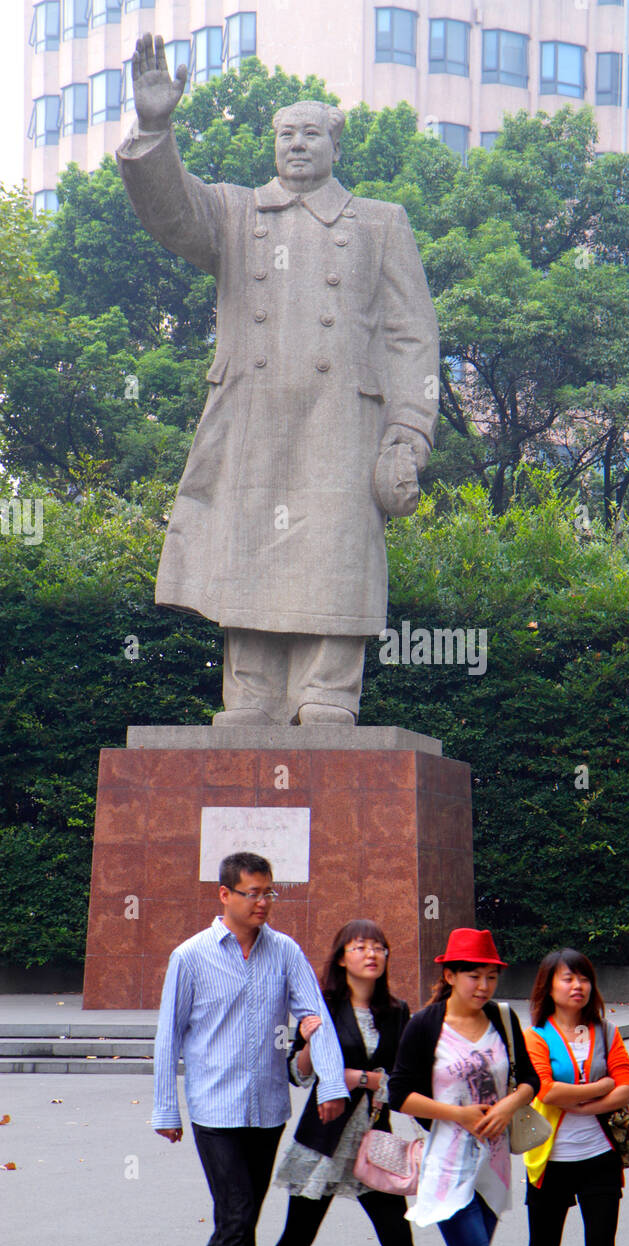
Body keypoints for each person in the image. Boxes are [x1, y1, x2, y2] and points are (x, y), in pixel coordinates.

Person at [118, 35, 439, 727]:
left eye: (311, 134)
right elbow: (170, 212)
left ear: (335, 145)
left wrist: (408, 432)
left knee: (335, 550)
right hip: (253, 416)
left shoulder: (381, 223)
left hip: (343, 422)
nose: (297, 145)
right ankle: (254, 692)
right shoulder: (235, 213)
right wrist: (155, 127)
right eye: (286, 134)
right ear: (273, 144)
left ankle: (327, 693)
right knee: (249, 544)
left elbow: (413, 337)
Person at [151, 851, 348, 1246]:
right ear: (225, 894)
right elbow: (168, 1038)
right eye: (253, 893)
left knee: (235, 1224)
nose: (263, 902)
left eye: (269, 892)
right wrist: (166, 1108)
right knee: (237, 1219)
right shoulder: (191, 956)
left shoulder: (285, 951)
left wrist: (332, 1084)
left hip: (268, 1109)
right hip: (214, 1111)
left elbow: (317, 1018)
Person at [263, 920, 416, 1246]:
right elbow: (297, 1074)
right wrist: (312, 1042)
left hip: (375, 1143)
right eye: (360, 947)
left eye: (379, 947)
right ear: (342, 959)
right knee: (297, 1238)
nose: (371, 954)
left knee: (398, 1239)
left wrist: (362, 1079)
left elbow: (402, 1077)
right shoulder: (321, 1006)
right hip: (324, 1142)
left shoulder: (397, 1012)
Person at [389, 928, 540, 1246]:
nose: (483, 986)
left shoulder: (502, 1018)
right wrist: (458, 1114)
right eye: (474, 976)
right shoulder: (425, 1026)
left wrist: (508, 1104)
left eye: (491, 977)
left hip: (494, 1164)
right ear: (450, 975)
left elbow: (531, 1080)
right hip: (447, 1165)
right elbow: (399, 1094)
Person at [518, 949, 629, 1246]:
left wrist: (583, 1104)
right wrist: (601, 1087)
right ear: (548, 986)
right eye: (567, 978)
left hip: (601, 1157)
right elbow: (547, 1090)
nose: (577, 986)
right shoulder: (535, 1035)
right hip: (550, 1159)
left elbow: (627, 1088)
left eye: (583, 978)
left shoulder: (606, 1031)